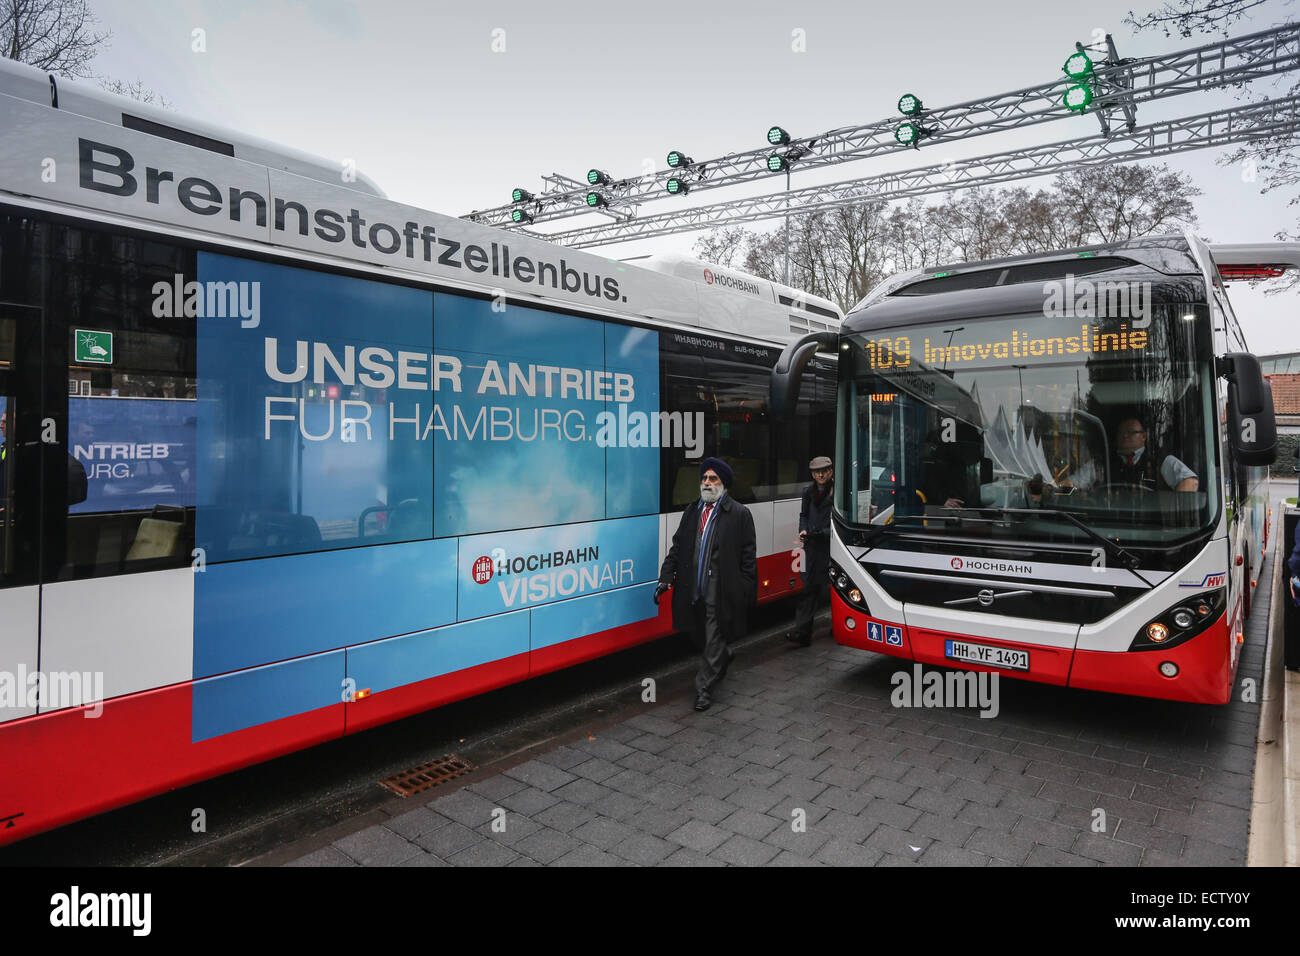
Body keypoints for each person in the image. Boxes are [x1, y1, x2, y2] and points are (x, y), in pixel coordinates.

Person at [655, 457, 757, 711]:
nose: (707, 483)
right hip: (693, 585)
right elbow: (678, 547)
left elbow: (748, 558)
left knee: (712, 633)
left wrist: (746, 590)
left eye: (713, 479)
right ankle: (722, 654)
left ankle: (703, 688)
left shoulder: (739, 514)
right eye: (704, 478)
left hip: (721, 587)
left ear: (724, 484)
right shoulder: (692, 511)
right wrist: (666, 577)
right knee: (696, 631)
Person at [1062, 415, 1198, 493]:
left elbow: (1190, 482)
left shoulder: (1161, 461)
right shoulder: (1101, 463)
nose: (1125, 436)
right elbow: (1071, 483)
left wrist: (1174, 516)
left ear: (1144, 436)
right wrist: (1054, 489)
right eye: (1121, 433)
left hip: (1154, 532)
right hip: (1107, 528)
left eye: (1131, 432)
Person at [787, 456, 833, 647]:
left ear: (831, 471)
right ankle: (803, 632)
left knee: (835, 591)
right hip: (811, 548)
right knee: (807, 590)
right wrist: (803, 529)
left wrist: (823, 532)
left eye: (824, 471)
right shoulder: (808, 492)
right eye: (816, 472)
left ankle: (839, 627)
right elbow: (803, 515)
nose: (820, 475)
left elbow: (841, 519)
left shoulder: (837, 491)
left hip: (830, 547)